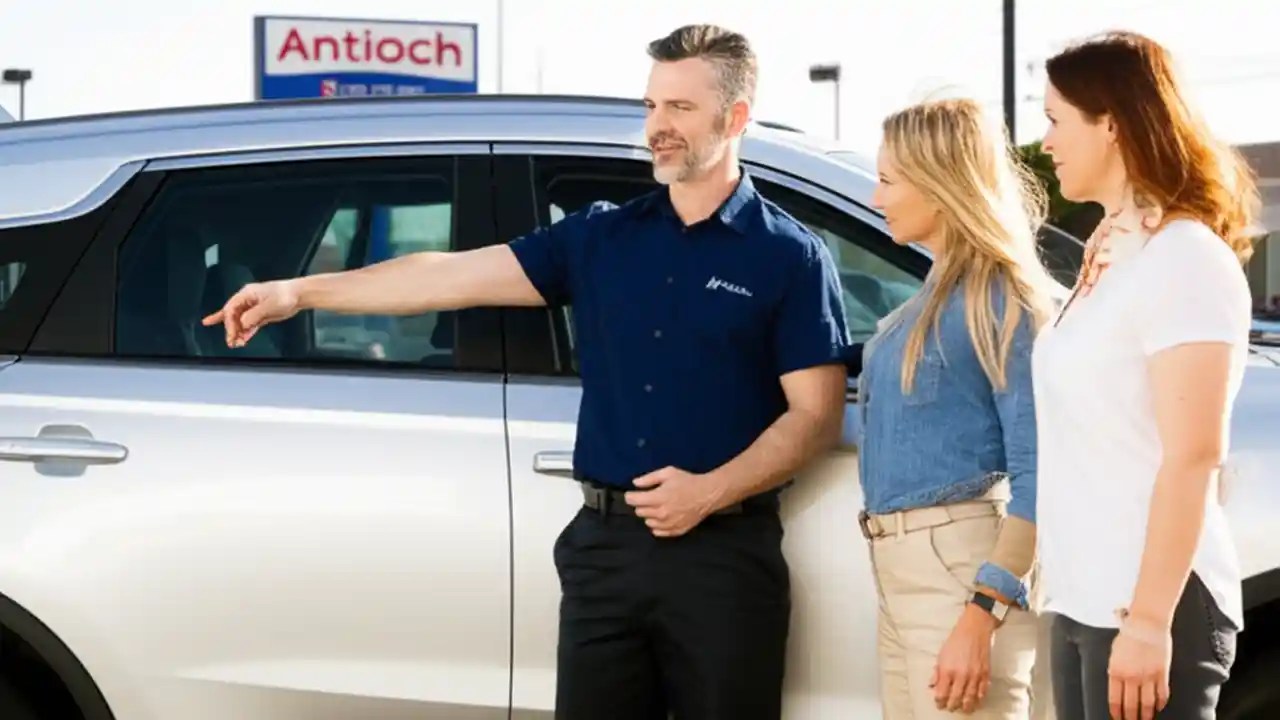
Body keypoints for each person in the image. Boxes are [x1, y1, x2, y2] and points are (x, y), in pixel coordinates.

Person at [203, 24, 851, 720]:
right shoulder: (600, 237)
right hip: (603, 553)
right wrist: (299, 293)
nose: (657, 127)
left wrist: (709, 493)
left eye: (680, 108)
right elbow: (444, 276)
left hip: (725, 558)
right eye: (651, 106)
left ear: (736, 117)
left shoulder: (789, 256)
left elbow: (816, 416)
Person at [1035, 30, 1260, 720]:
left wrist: (1149, 621)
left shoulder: (1184, 257)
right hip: (1083, 598)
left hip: (1148, 607)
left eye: (1055, 119)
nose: (1045, 141)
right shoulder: (1114, 252)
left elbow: (1194, 456)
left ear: (1110, 123)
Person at [857, 96, 1061, 718]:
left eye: (889, 180)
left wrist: (984, 611)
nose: (875, 197)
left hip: (962, 574)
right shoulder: (934, 295)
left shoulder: (1001, 298)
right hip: (903, 570)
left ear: (940, 186)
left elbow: (1041, 472)